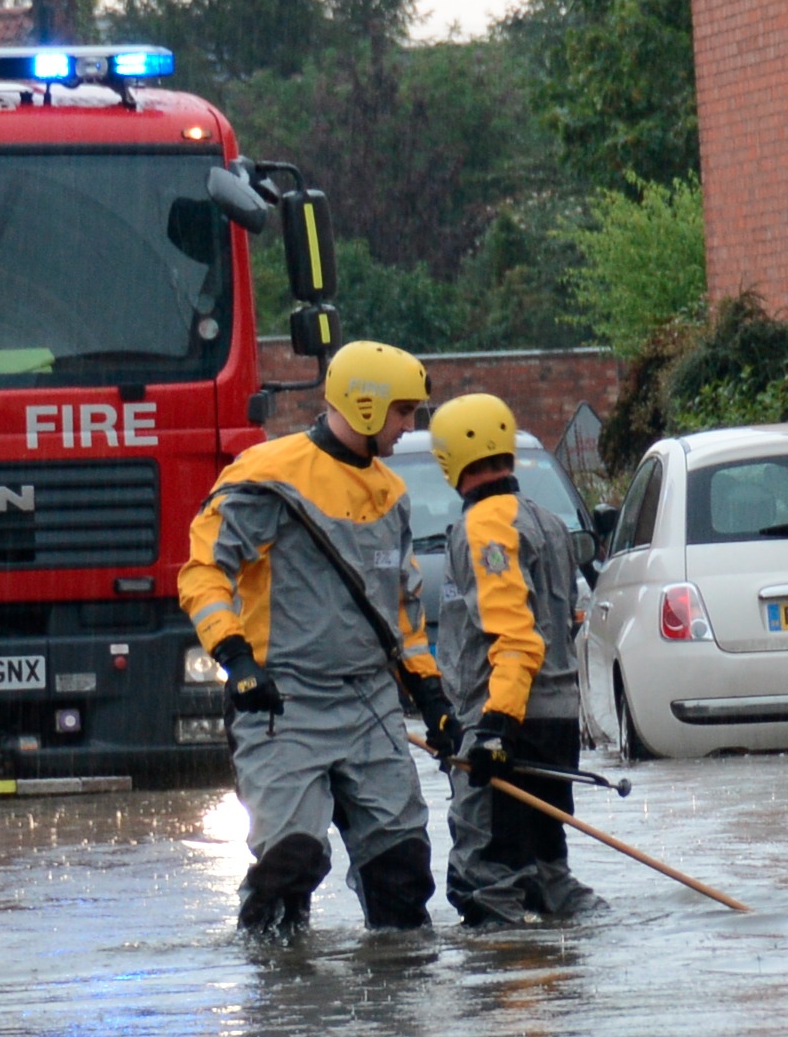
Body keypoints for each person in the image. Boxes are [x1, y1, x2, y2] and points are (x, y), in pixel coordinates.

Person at [181, 341, 455, 944]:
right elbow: (204, 572)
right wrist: (236, 659)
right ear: (364, 405)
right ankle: (279, 995)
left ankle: (395, 1002)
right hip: (281, 704)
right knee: (293, 861)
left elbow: (402, 614)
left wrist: (432, 698)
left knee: (403, 873)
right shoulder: (265, 477)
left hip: (370, 705)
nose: (411, 426)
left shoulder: (391, 493)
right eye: (402, 411)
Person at [421, 392, 598, 929]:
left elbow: (514, 635)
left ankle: (510, 1004)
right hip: (558, 721)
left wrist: (494, 728)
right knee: (548, 872)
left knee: (486, 881)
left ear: (449, 458)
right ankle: (569, 978)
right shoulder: (547, 521)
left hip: (507, 722)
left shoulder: (486, 528)